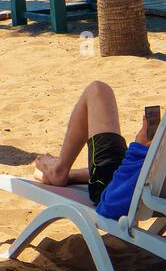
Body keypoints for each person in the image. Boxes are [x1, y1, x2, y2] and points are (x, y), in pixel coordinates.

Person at [34, 81, 153, 217]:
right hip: (152, 181)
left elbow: (111, 204)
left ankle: (59, 170)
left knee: (98, 90)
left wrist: (139, 149)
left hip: (118, 189)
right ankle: (73, 175)